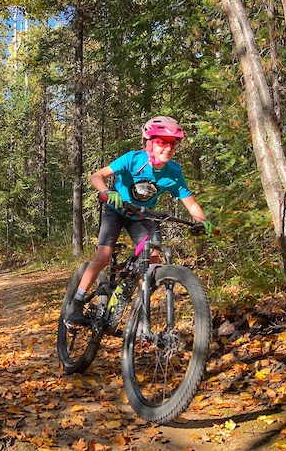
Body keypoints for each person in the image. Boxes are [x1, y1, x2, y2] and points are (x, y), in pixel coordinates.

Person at [65, 115, 214, 326]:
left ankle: (142, 321)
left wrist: (201, 220)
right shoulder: (133, 159)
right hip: (116, 211)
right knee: (104, 257)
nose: (168, 149)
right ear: (149, 143)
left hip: (142, 216)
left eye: (173, 145)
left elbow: (190, 204)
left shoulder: (173, 173)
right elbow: (97, 176)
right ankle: (77, 303)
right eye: (162, 143)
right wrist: (107, 191)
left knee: (151, 260)